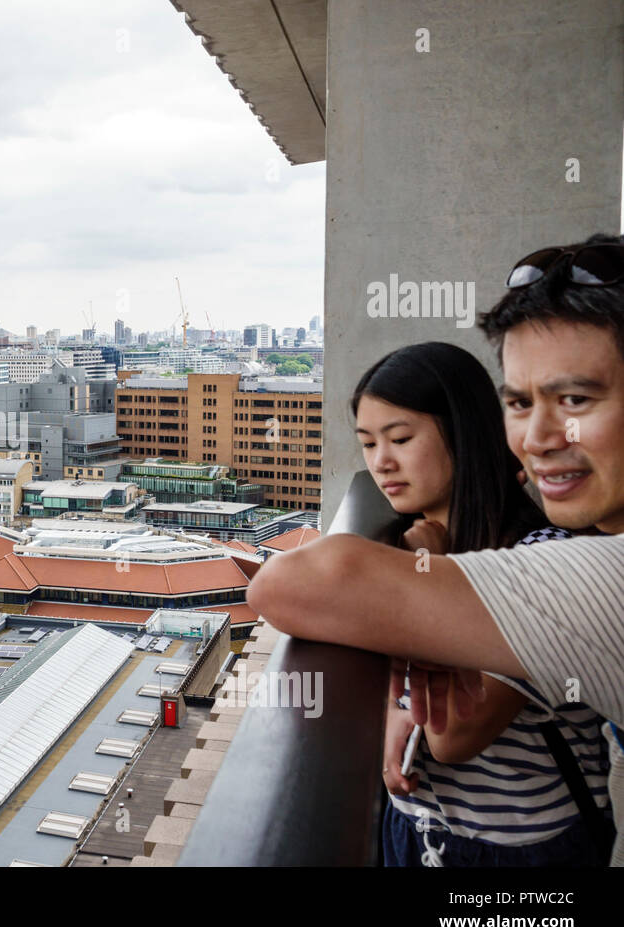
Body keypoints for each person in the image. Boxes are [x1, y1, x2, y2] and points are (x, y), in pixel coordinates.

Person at [247, 234, 624, 865]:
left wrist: (416, 627)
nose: (536, 438)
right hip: (425, 831)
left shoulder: (586, 571)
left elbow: (283, 586)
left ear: (461, 433)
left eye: (576, 400)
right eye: (520, 403)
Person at [351, 341, 609, 865]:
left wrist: (427, 572)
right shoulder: (403, 546)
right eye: (367, 443)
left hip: (522, 850)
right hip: (418, 829)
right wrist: (387, 710)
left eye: (400, 438)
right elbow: (282, 588)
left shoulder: (545, 564)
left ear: (465, 436)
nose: (381, 462)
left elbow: (450, 735)